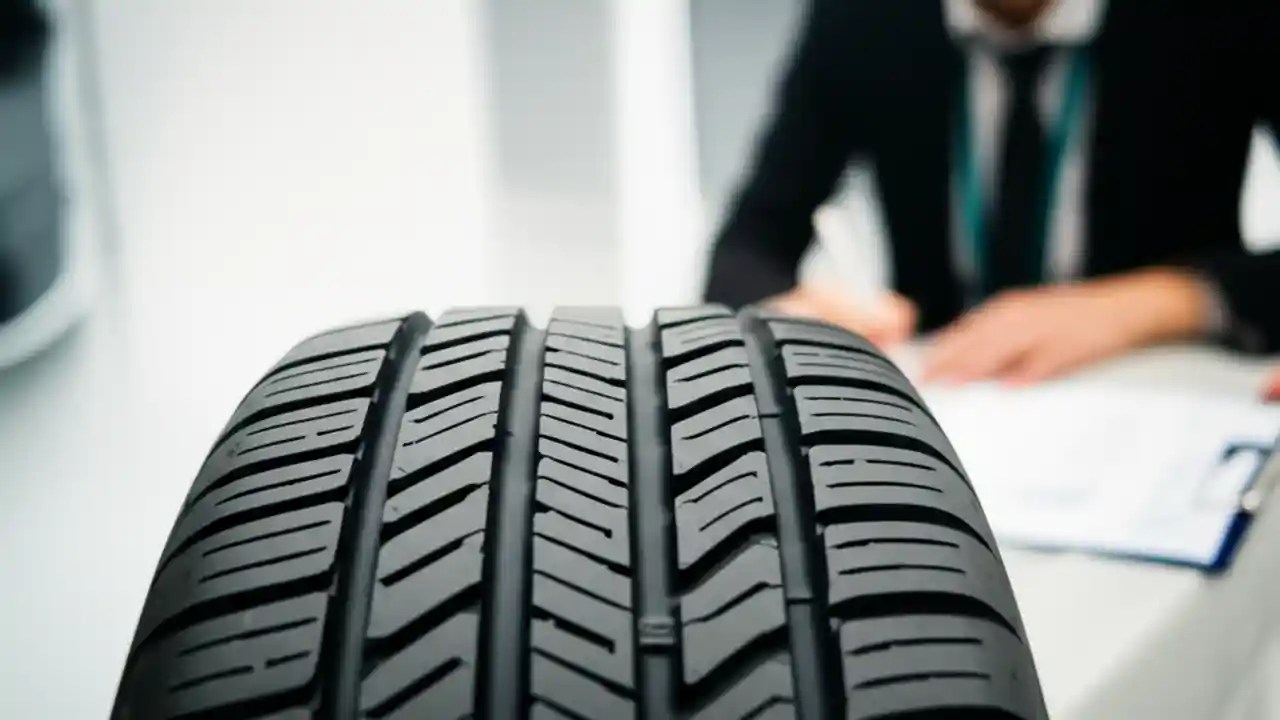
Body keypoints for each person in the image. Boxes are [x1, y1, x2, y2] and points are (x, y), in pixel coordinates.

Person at [705, 0, 1280, 384]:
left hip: (1168, 392)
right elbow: (745, 252)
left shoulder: (1221, 13)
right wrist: (795, 314)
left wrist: (1166, 300)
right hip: (955, 397)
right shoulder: (863, 18)